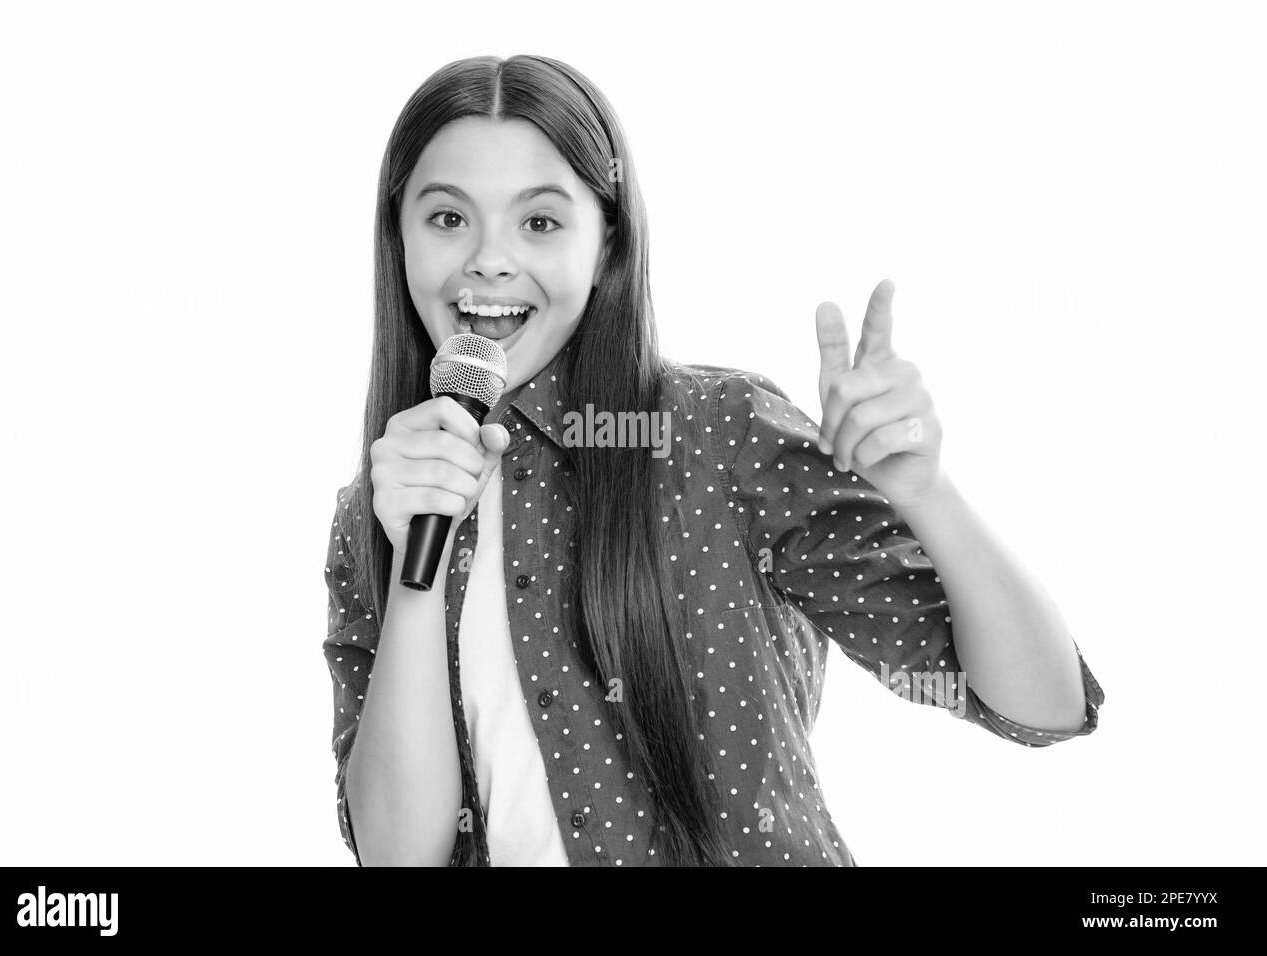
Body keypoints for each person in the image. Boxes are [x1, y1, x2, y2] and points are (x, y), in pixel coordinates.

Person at [322, 54, 1105, 867]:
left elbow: (1040, 706)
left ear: (607, 240)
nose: (489, 259)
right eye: (448, 218)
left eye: (541, 222)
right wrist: (421, 561)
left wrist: (929, 495)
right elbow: (397, 854)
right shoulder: (372, 512)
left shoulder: (720, 434)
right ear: (399, 238)